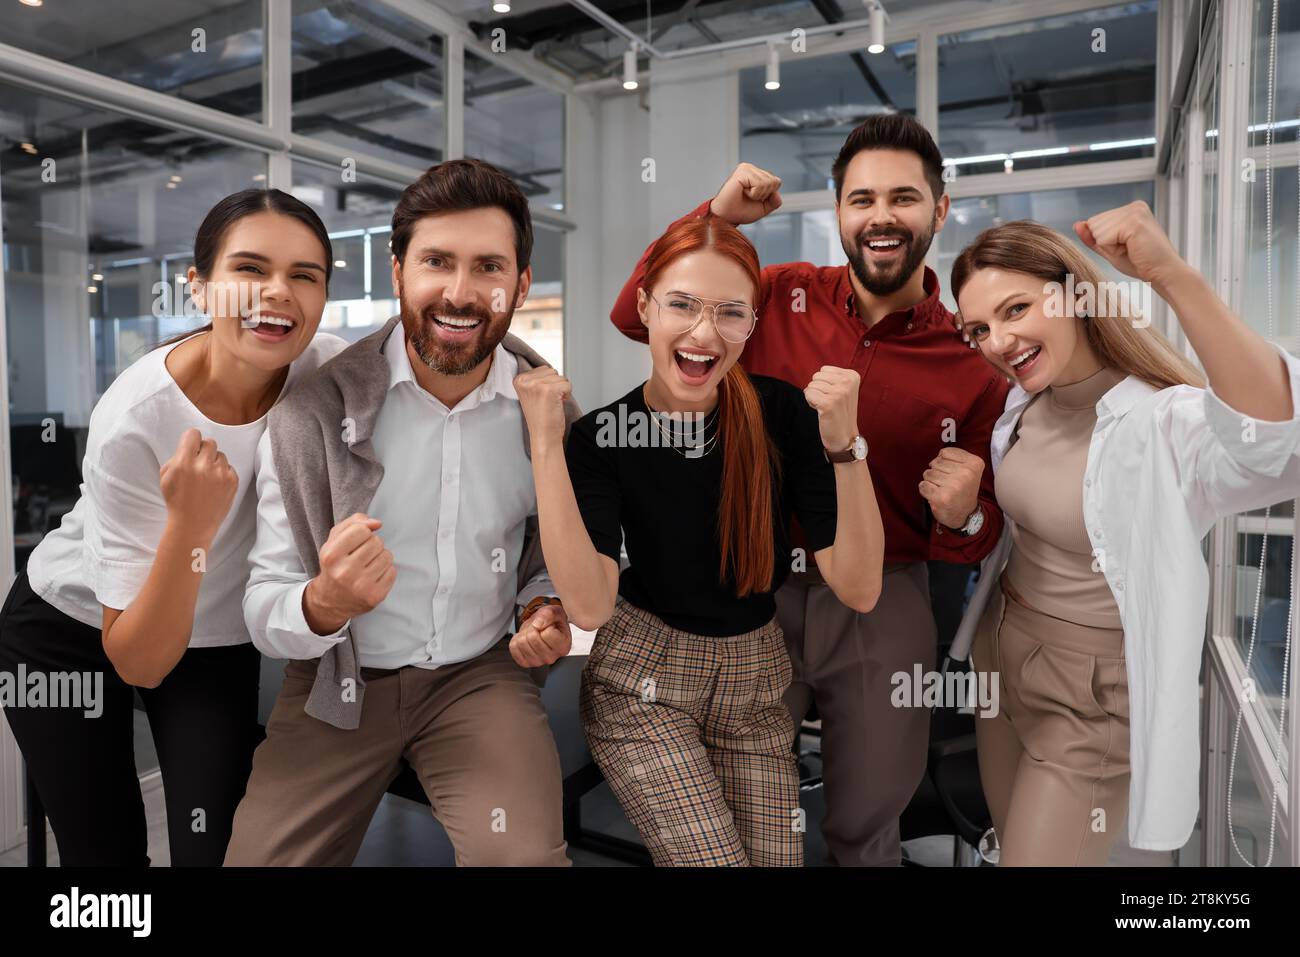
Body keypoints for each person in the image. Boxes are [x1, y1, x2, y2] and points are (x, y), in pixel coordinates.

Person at [608, 113, 1008, 865]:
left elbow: (980, 531)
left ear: (940, 209)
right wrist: (715, 217)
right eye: (861, 199)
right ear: (839, 212)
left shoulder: (973, 358)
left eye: (903, 198)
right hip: (750, 578)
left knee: (864, 826)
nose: (881, 217)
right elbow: (637, 312)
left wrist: (966, 514)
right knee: (730, 812)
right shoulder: (777, 294)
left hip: (885, 598)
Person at [224, 158, 576, 867]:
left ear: (522, 284)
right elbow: (263, 602)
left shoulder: (548, 404)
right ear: (397, 272)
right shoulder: (313, 413)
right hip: (340, 683)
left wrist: (545, 604)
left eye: (488, 267)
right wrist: (324, 600)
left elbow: (546, 555)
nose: (459, 291)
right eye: (437, 262)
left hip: (478, 678)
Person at [516, 215, 884, 865]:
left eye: (730, 313)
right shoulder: (603, 436)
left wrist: (845, 448)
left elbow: (858, 586)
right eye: (681, 305)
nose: (704, 333)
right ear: (644, 308)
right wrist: (547, 443)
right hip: (643, 685)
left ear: (751, 324)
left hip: (757, 684)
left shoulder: (783, 415)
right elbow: (592, 607)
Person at [0, 189, 347, 865]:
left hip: (211, 634)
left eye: (304, 275)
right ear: (199, 287)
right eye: (250, 269)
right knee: (106, 857)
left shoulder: (324, 365)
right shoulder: (136, 418)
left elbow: (432, 358)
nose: (277, 292)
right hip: (68, 629)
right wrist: (191, 523)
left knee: (214, 843)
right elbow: (139, 657)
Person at [948, 201, 1300, 863]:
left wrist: (1171, 276)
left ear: (1076, 295)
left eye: (1016, 310)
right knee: (1006, 848)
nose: (996, 342)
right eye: (978, 328)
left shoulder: (1163, 422)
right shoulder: (1024, 401)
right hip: (1003, 654)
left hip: (1092, 697)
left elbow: (1274, 435)